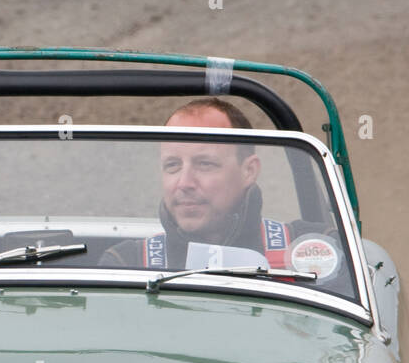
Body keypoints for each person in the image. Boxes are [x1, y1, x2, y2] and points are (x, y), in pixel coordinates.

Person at [100, 98, 292, 270]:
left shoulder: (305, 249)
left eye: (204, 164)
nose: (184, 183)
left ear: (248, 171)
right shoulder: (126, 264)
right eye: (172, 165)